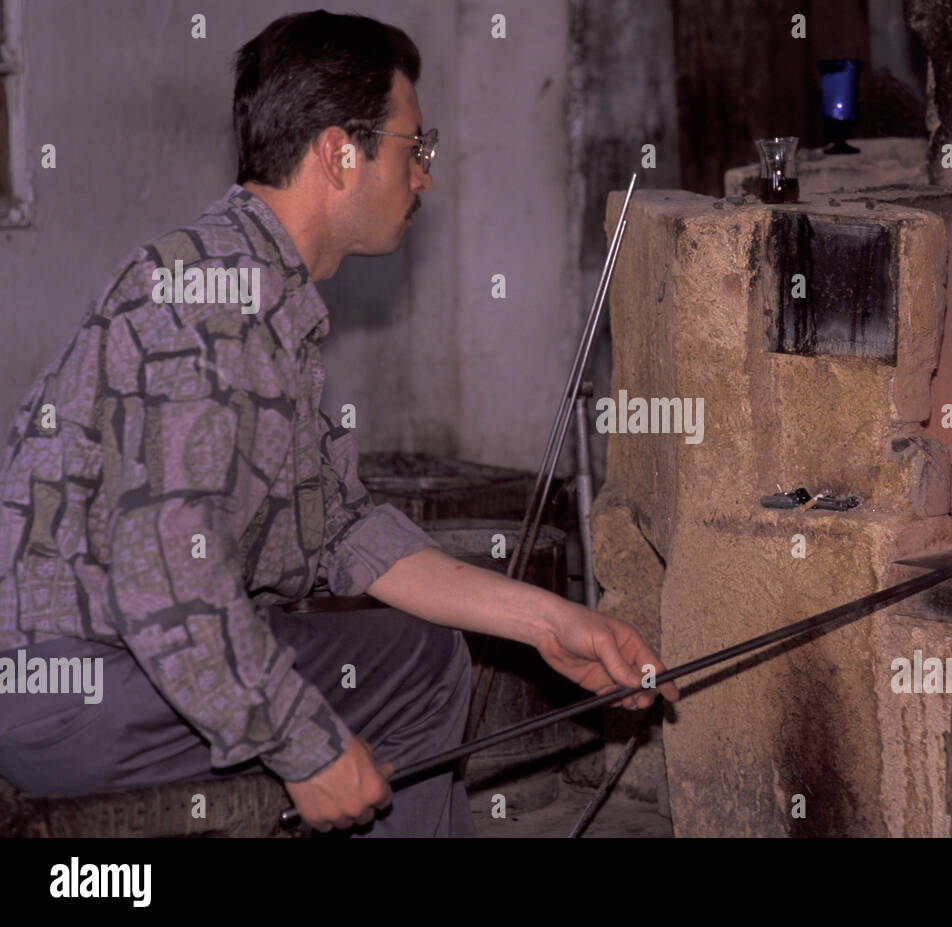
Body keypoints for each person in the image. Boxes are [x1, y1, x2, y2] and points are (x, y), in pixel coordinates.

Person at [0, 10, 677, 837]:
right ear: (338, 152)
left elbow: (347, 530)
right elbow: (165, 581)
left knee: (411, 656)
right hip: (61, 688)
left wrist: (555, 621)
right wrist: (304, 743)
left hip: (103, 670)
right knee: (416, 673)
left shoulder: (260, 300)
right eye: (414, 148)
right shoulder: (205, 299)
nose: (425, 176)